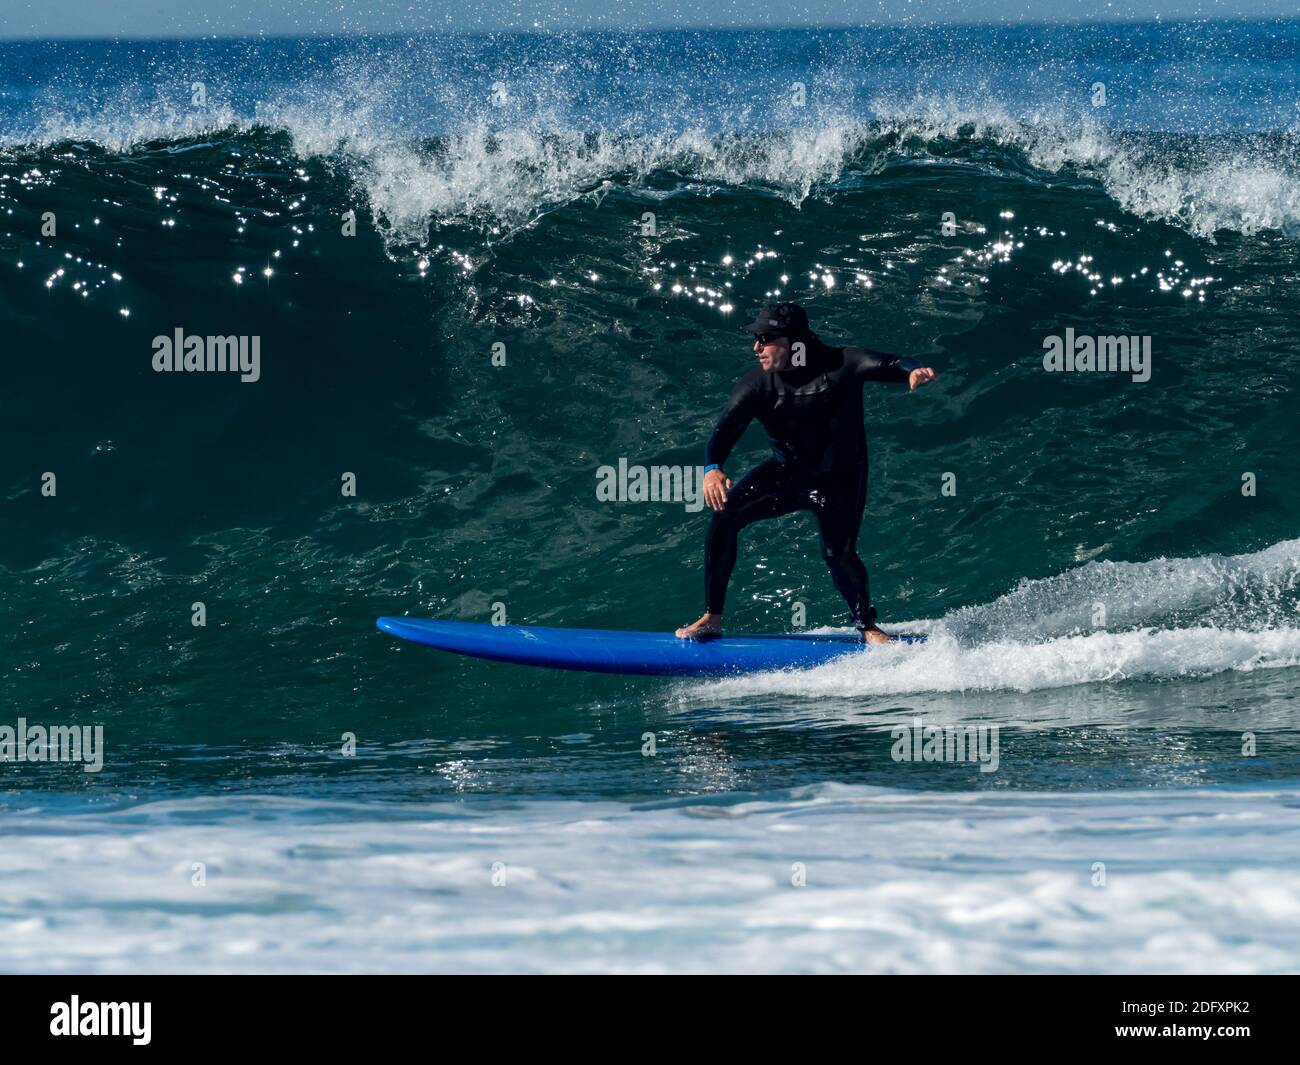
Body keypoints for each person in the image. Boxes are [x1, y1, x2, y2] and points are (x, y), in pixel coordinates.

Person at [675, 302, 937, 644]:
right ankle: (712, 617)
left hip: (840, 480)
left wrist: (913, 372)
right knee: (725, 516)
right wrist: (712, 469)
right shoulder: (757, 385)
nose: (756, 346)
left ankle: (867, 627)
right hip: (786, 475)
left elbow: (893, 362)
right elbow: (723, 433)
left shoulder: (843, 364)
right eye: (756, 338)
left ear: (794, 342)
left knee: (837, 553)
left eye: (765, 338)